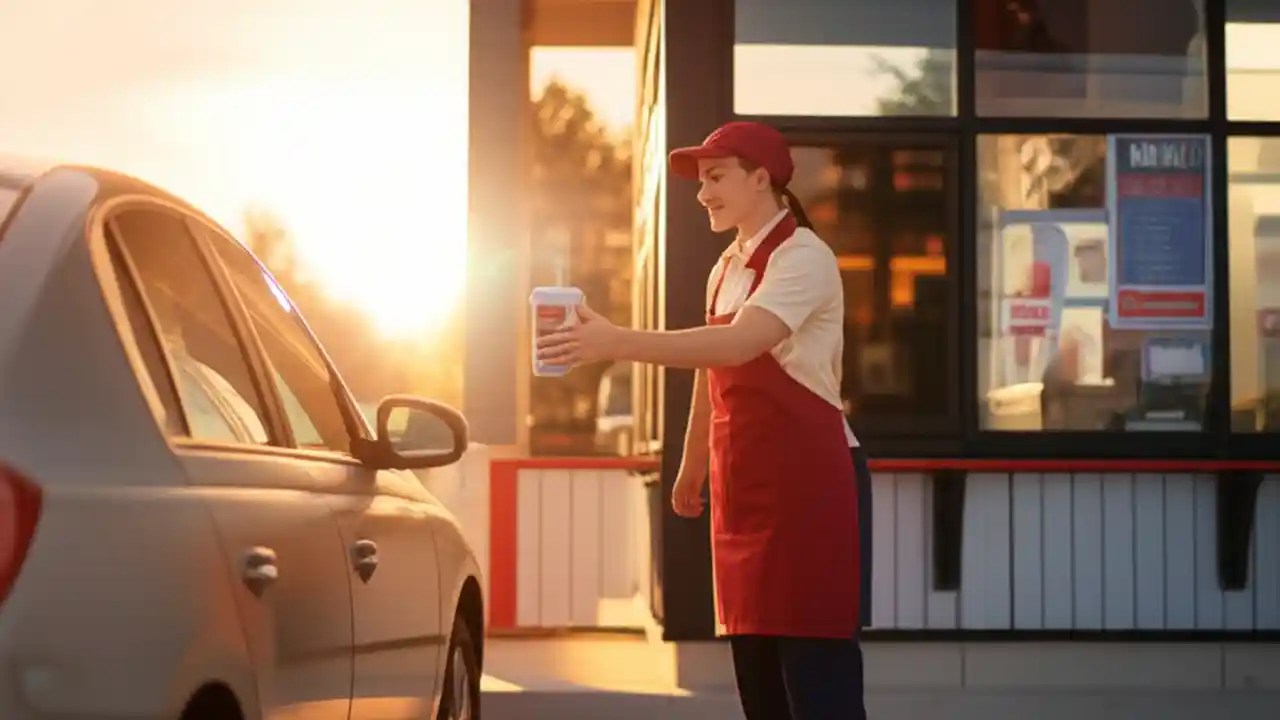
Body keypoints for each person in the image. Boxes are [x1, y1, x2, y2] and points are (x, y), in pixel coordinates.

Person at [537, 120, 868, 719]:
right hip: (746, 492)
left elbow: (740, 344)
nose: (702, 192)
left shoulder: (803, 258)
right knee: (761, 693)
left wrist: (615, 340)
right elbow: (711, 370)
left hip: (809, 491)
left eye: (716, 176)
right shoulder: (725, 267)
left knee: (820, 695)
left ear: (761, 179)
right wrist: (690, 466)